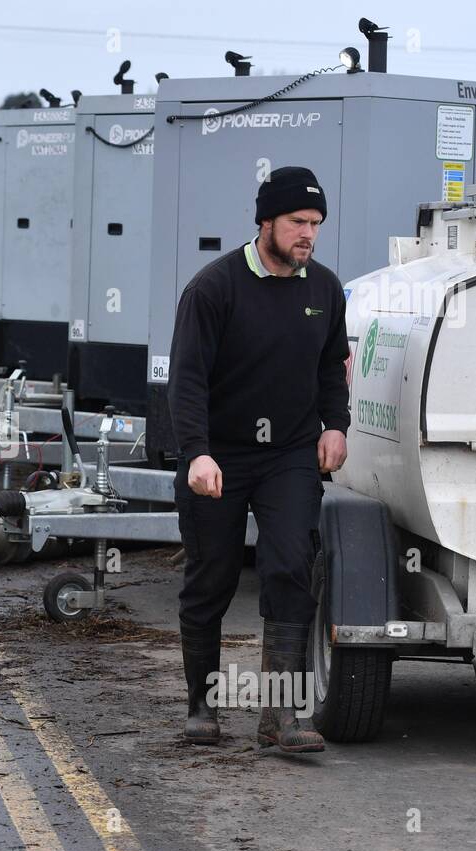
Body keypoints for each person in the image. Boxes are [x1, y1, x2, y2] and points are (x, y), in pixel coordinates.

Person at [166, 166, 350, 753]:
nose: (309, 235)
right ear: (265, 221)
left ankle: (281, 716)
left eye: (316, 224)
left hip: (291, 456)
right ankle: (202, 706)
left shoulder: (323, 289)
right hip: (218, 455)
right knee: (212, 578)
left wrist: (337, 426)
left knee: (291, 570)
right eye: (298, 222)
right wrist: (196, 452)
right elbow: (187, 381)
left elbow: (330, 368)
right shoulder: (213, 289)